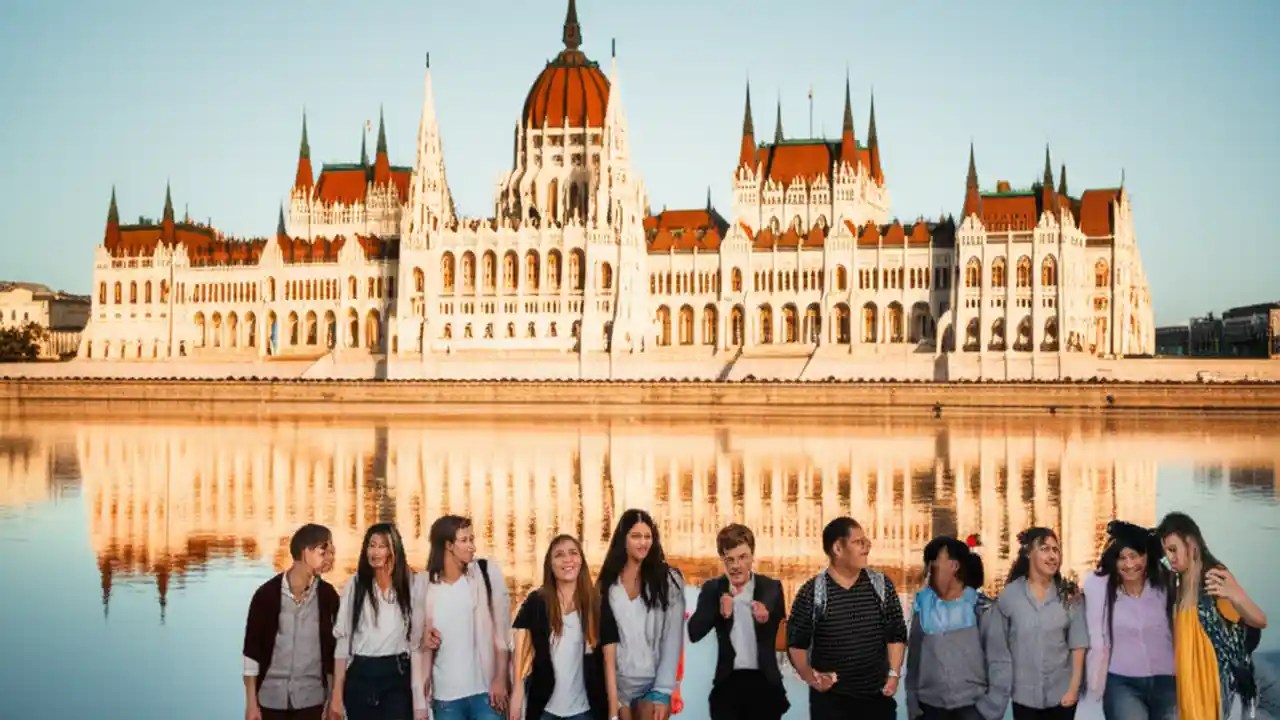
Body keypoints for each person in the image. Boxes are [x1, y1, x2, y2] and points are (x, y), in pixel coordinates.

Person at [786, 517, 908, 720]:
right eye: (858, 542)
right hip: (831, 705)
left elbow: (896, 634)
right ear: (838, 548)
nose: (866, 548)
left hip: (877, 701)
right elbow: (796, 644)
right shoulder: (812, 592)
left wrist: (894, 675)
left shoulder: (881, 585)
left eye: (866, 542)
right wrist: (812, 678)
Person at [1158, 511, 1268, 719]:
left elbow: (1259, 620)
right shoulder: (1178, 583)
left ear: (1191, 545)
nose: (1170, 558)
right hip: (1190, 694)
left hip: (1218, 692)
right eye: (1167, 552)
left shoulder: (1214, 578)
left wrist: (1237, 595)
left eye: (1174, 550)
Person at [509, 534, 618, 720]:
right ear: (550, 564)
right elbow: (521, 655)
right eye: (559, 554)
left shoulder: (597, 605)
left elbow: (609, 666)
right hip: (545, 711)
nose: (567, 559)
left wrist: (614, 713)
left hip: (586, 712)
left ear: (581, 561)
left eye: (573, 553)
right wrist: (517, 697)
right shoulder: (536, 602)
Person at [687, 524, 790, 720]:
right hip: (728, 687)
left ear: (752, 556)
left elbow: (782, 641)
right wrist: (717, 609)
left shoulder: (772, 587)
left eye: (742, 557)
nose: (736, 566)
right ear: (722, 560)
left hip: (765, 687)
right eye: (730, 559)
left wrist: (767, 619)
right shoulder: (713, 588)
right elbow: (694, 632)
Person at [414, 515, 511, 720]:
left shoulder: (486, 573)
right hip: (446, 697)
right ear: (448, 545)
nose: (472, 547)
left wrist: (500, 678)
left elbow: (503, 637)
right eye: (465, 540)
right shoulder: (424, 585)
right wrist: (425, 639)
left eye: (472, 539)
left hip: (486, 692)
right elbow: (415, 644)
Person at [905, 535, 1009, 720]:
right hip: (929, 709)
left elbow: (1000, 663)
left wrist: (988, 710)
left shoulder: (982, 609)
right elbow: (914, 661)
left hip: (973, 708)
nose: (929, 570)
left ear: (954, 566)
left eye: (934, 562)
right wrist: (913, 705)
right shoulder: (923, 608)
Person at [243, 524, 340, 720]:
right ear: (306, 552)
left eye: (331, 552)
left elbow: (334, 653)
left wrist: (333, 698)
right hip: (270, 699)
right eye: (324, 551)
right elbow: (251, 653)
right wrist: (251, 704)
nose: (330, 558)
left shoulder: (328, 597)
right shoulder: (265, 595)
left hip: (312, 700)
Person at [596, 509, 686, 720]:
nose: (643, 543)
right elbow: (602, 639)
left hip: (653, 684)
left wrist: (664, 690)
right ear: (623, 539)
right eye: (636, 536)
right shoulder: (608, 585)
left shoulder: (669, 581)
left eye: (647, 537)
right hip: (618, 684)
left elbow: (673, 638)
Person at [1082, 520, 1175, 720]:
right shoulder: (1102, 590)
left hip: (1168, 679)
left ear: (1146, 556)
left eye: (1134, 556)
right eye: (1121, 558)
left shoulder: (1165, 586)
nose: (1129, 564)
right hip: (1122, 682)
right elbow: (1096, 638)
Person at [995, 527, 1087, 720]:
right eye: (1045, 549)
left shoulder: (1069, 596)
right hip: (1023, 697)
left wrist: (1073, 690)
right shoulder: (1010, 596)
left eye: (1056, 550)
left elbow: (1078, 646)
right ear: (1029, 553)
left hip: (1061, 696)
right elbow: (998, 647)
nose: (1053, 555)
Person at [331, 523, 420, 720]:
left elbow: (417, 641)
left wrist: (420, 697)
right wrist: (336, 694)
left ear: (393, 549)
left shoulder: (411, 584)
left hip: (397, 672)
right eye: (372, 545)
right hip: (361, 673)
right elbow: (342, 642)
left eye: (382, 546)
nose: (375, 551)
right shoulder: (356, 585)